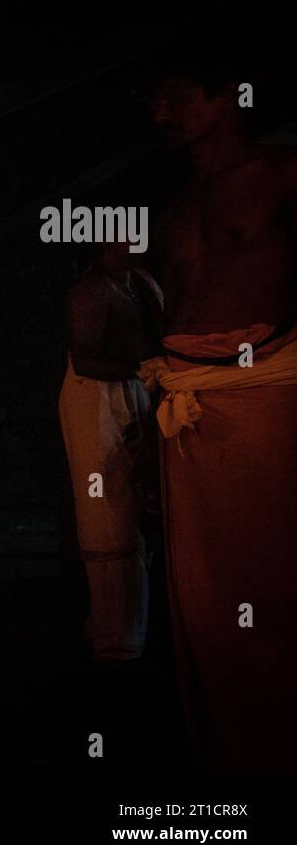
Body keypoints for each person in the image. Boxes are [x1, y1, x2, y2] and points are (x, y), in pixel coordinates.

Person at [139, 61, 297, 776]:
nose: (161, 110)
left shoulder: (281, 173)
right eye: (156, 100)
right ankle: (232, 757)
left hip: (267, 394)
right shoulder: (175, 206)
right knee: (205, 604)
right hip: (190, 408)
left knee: (272, 581)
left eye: (177, 95)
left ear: (231, 96)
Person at [59, 241, 163, 662]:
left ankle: (134, 625)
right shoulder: (89, 291)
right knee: (106, 512)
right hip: (95, 401)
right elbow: (86, 360)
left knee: (142, 501)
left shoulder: (139, 283)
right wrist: (146, 371)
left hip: (135, 388)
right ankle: (114, 635)